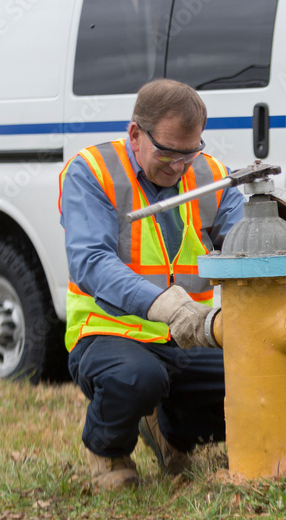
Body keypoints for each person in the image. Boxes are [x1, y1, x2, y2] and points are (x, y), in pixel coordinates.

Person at [58, 78, 245, 491]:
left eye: (190, 152)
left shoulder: (212, 175)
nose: (179, 166)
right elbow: (91, 261)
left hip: (186, 337)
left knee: (253, 373)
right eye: (167, 153)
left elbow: (243, 247)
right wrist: (167, 306)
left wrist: (274, 230)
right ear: (135, 134)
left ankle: (173, 433)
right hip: (110, 332)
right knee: (136, 378)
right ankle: (108, 453)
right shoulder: (91, 172)